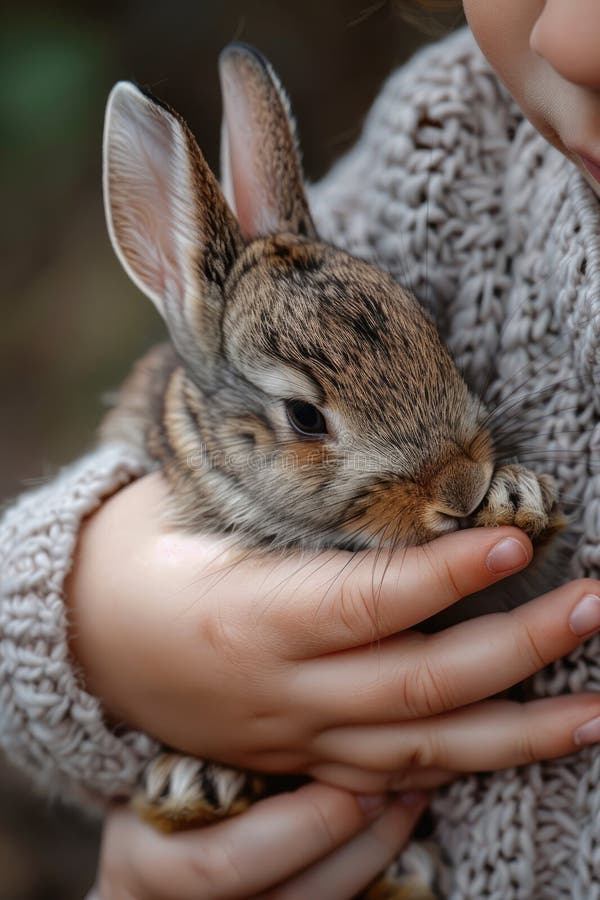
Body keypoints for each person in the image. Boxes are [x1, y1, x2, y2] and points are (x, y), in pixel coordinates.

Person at [2, 0, 600, 895]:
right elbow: (41, 597)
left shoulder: (463, 170)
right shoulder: (439, 154)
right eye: (310, 423)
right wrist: (98, 616)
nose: (573, 34)